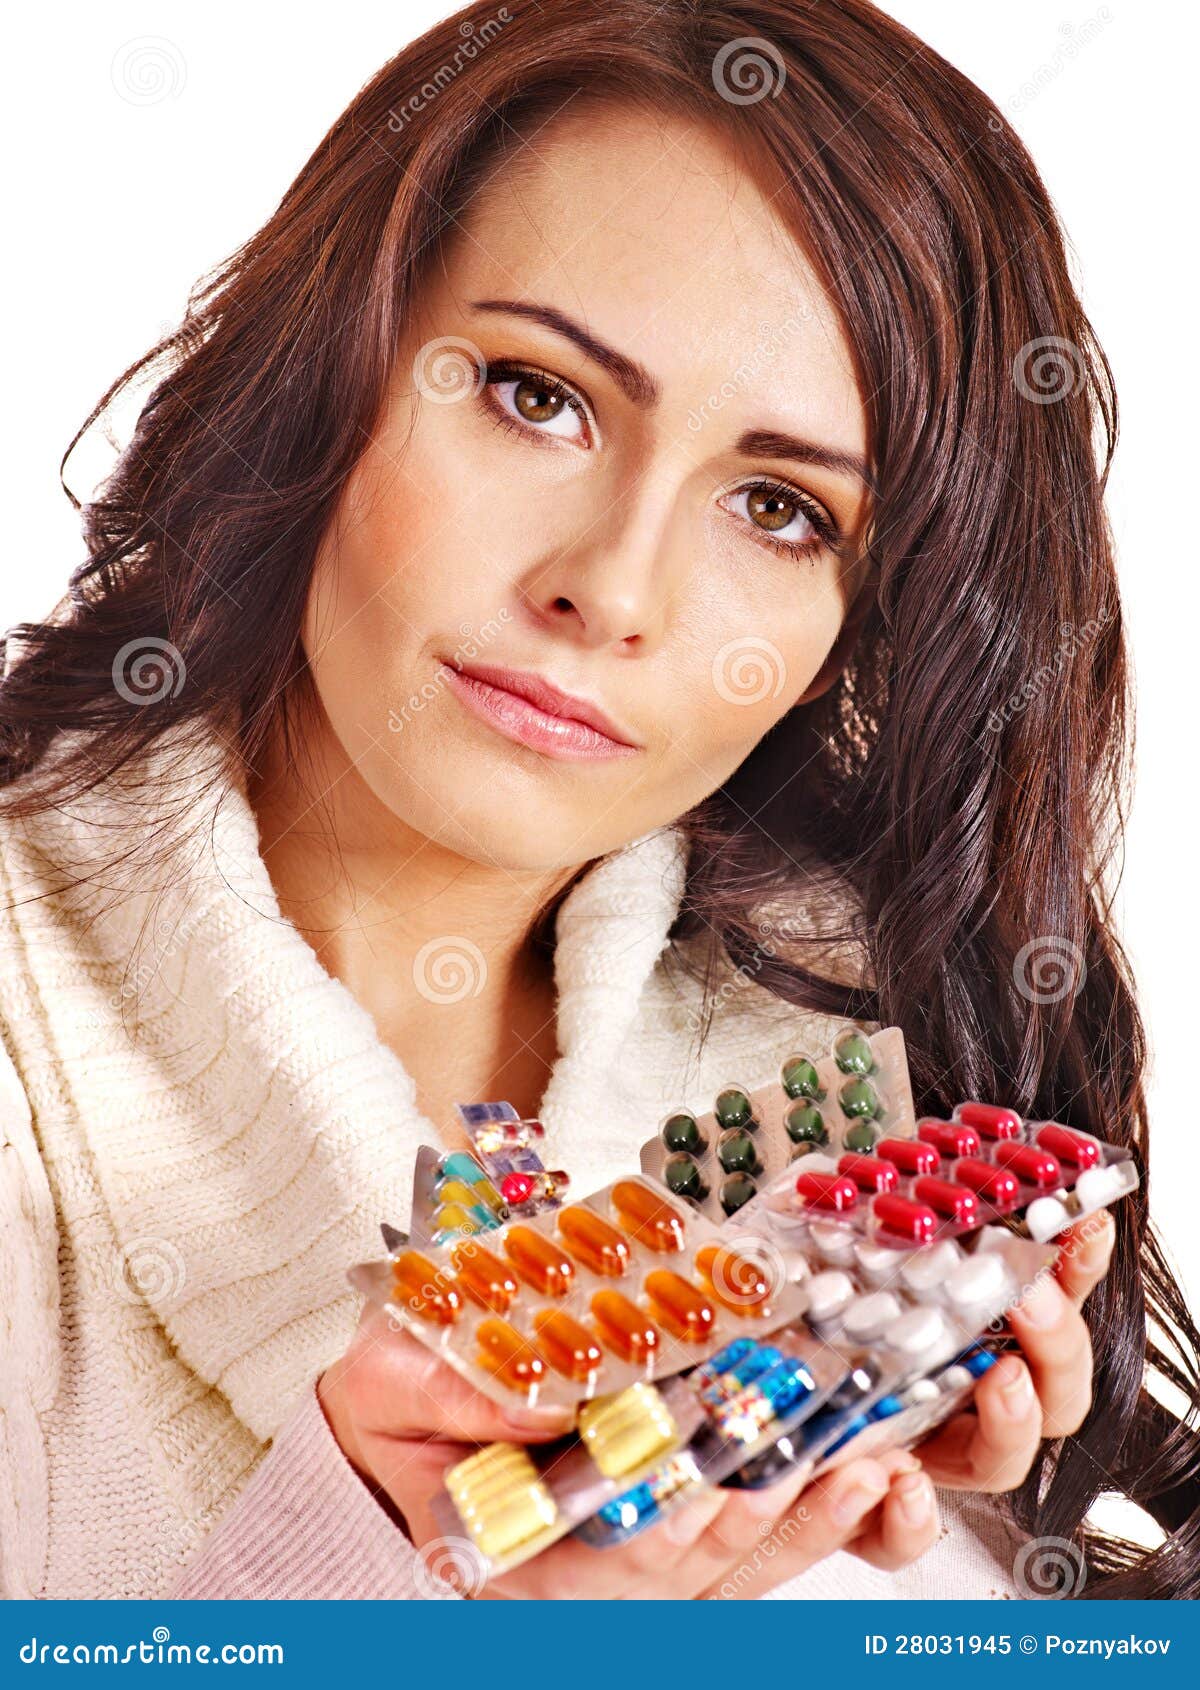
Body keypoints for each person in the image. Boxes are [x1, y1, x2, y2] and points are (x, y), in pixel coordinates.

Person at [1, 0, 1192, 1601]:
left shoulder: (846, 1130)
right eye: (535, 394)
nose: (612, 588)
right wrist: (377, 1580)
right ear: (326, 377)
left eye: (778, 507)